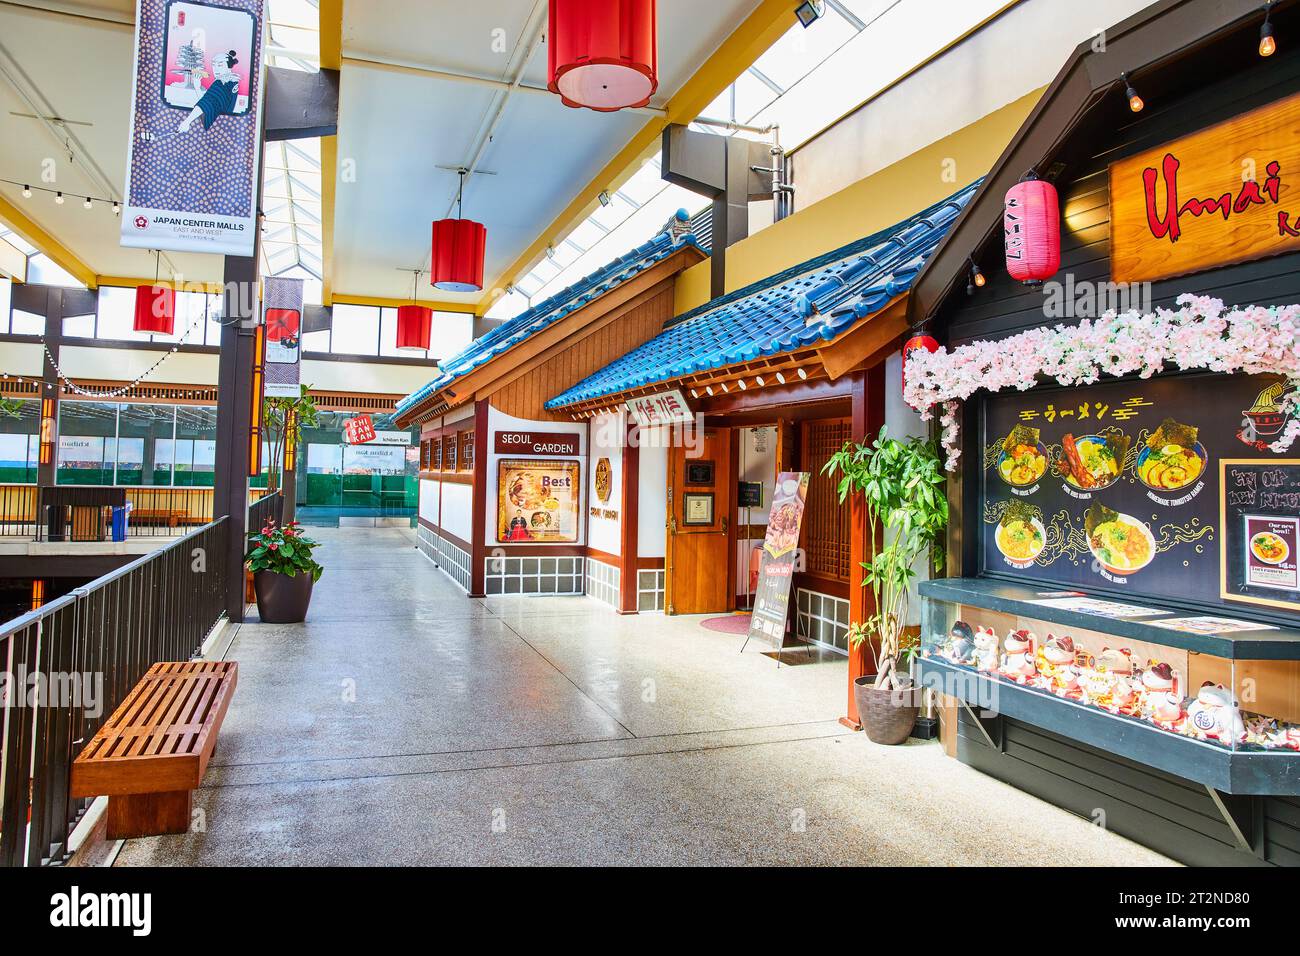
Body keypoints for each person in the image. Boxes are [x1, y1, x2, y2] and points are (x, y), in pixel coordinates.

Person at [179, 50, 241, 132]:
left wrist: (187, 122)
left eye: (220, 65)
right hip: (223, 127)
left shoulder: (221, 83)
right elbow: (209, 104)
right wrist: (197, 87)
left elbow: (206, 103)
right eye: (214, 65)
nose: (216, 69)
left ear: (228, 66)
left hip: (216, 127)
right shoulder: (232, 82)